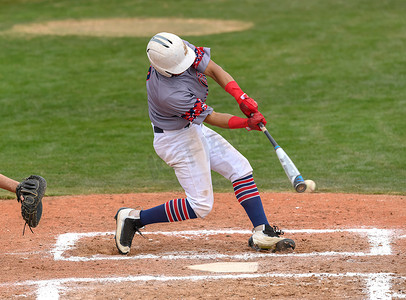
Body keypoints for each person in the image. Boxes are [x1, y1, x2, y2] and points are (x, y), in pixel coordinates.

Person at [115, 32, 295, 255]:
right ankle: (134, 219)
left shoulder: (177, 50)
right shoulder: (169, 94)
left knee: (240, 168)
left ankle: (262, 231)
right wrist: (246, 123)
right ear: (167, 70)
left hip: (190, 129)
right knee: (200, 205)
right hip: (176, 140)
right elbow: (211, 117)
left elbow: (213, 69)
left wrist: (241, 97)